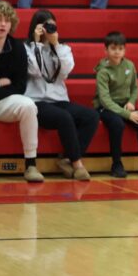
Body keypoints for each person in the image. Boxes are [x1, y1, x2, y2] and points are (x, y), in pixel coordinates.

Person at [25, 10, 97, 181]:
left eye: (51, 26)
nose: (47, 29)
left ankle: (66, 159)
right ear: (35, 27)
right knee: (64, 117)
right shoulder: (26, 48)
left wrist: (55, 44)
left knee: (91, 116)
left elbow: (65, 71)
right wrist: (37, 44)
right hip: (37, 101)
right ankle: (77, 164)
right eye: (44, 26)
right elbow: (34, 70)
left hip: (59, 100)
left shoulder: (62, 48)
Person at [94, 31, 138, 178]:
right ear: (105, 50)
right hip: (106, 107)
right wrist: (127, 114)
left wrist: (132, 102)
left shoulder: (130, 65)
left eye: (120, 49)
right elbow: (105, 100)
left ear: (124, 50)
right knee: (117, 124)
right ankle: (116, 163)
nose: (117, 52)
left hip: (125, 105)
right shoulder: (103, 72)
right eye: (113, 48)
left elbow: (135, 87)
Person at [0, 1, 42, 182]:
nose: (2, 24)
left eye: (6, 20)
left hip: (4, 102)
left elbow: (20, 85)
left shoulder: (17, 48)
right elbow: (11, 83)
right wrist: (1, 83)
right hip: (4, 95)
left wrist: (2, 86)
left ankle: (31, 165)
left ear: (12, 24)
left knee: (28, 105)